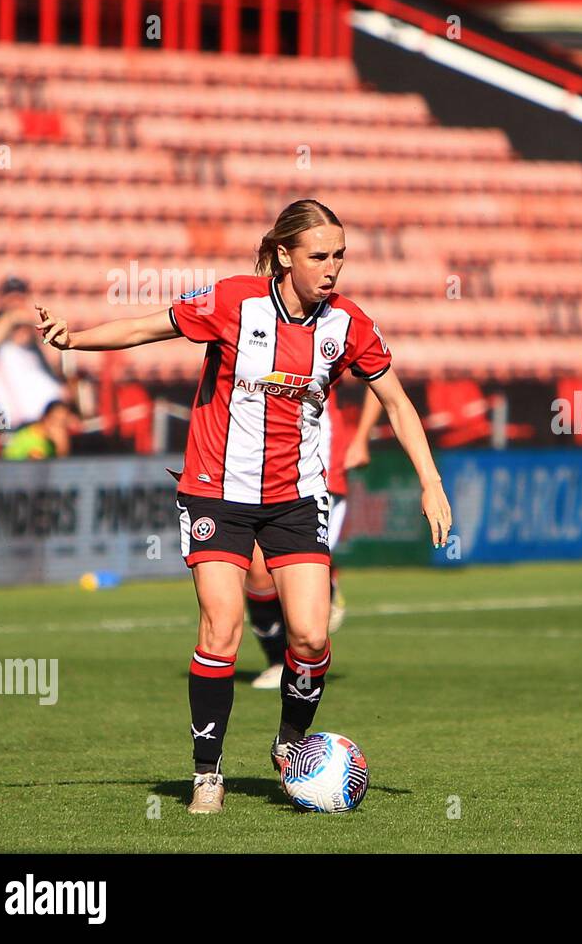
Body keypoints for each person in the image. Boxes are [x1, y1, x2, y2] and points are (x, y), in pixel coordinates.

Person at [36, 199, 452, 814]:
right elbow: (148, 326)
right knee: (221, 627)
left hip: (296, 496)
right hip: (214, 488)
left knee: (309, 637)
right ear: (284, 256)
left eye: (339, 255)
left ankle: (291, 747)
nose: (332, 268)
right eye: (319, 256)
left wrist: (431, 481)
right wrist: (75, 338)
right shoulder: (235, 301)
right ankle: (208, 774)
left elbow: (395, 400)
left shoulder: (349, 325)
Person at [247, 383, 353, 690]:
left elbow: (377, 382)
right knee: (257, 568)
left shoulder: (325, 336)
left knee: (295, 580)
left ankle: (297, 664)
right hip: (261, 471)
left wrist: (359, 439)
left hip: (319, 472)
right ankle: (277, 662)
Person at [0, 276, 69, 430]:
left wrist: (35, 330)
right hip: (5, 397)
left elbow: (54, 361)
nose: (16, 302)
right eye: (12, 297)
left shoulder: (31, 330)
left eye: (20, 297)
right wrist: (13, 317)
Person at [0, 399, 78, 460]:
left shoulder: (45, 439)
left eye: (63, 422)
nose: (59, 427)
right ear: (45, 419)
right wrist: (62, 447)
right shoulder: (35, 444)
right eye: (56, 421)